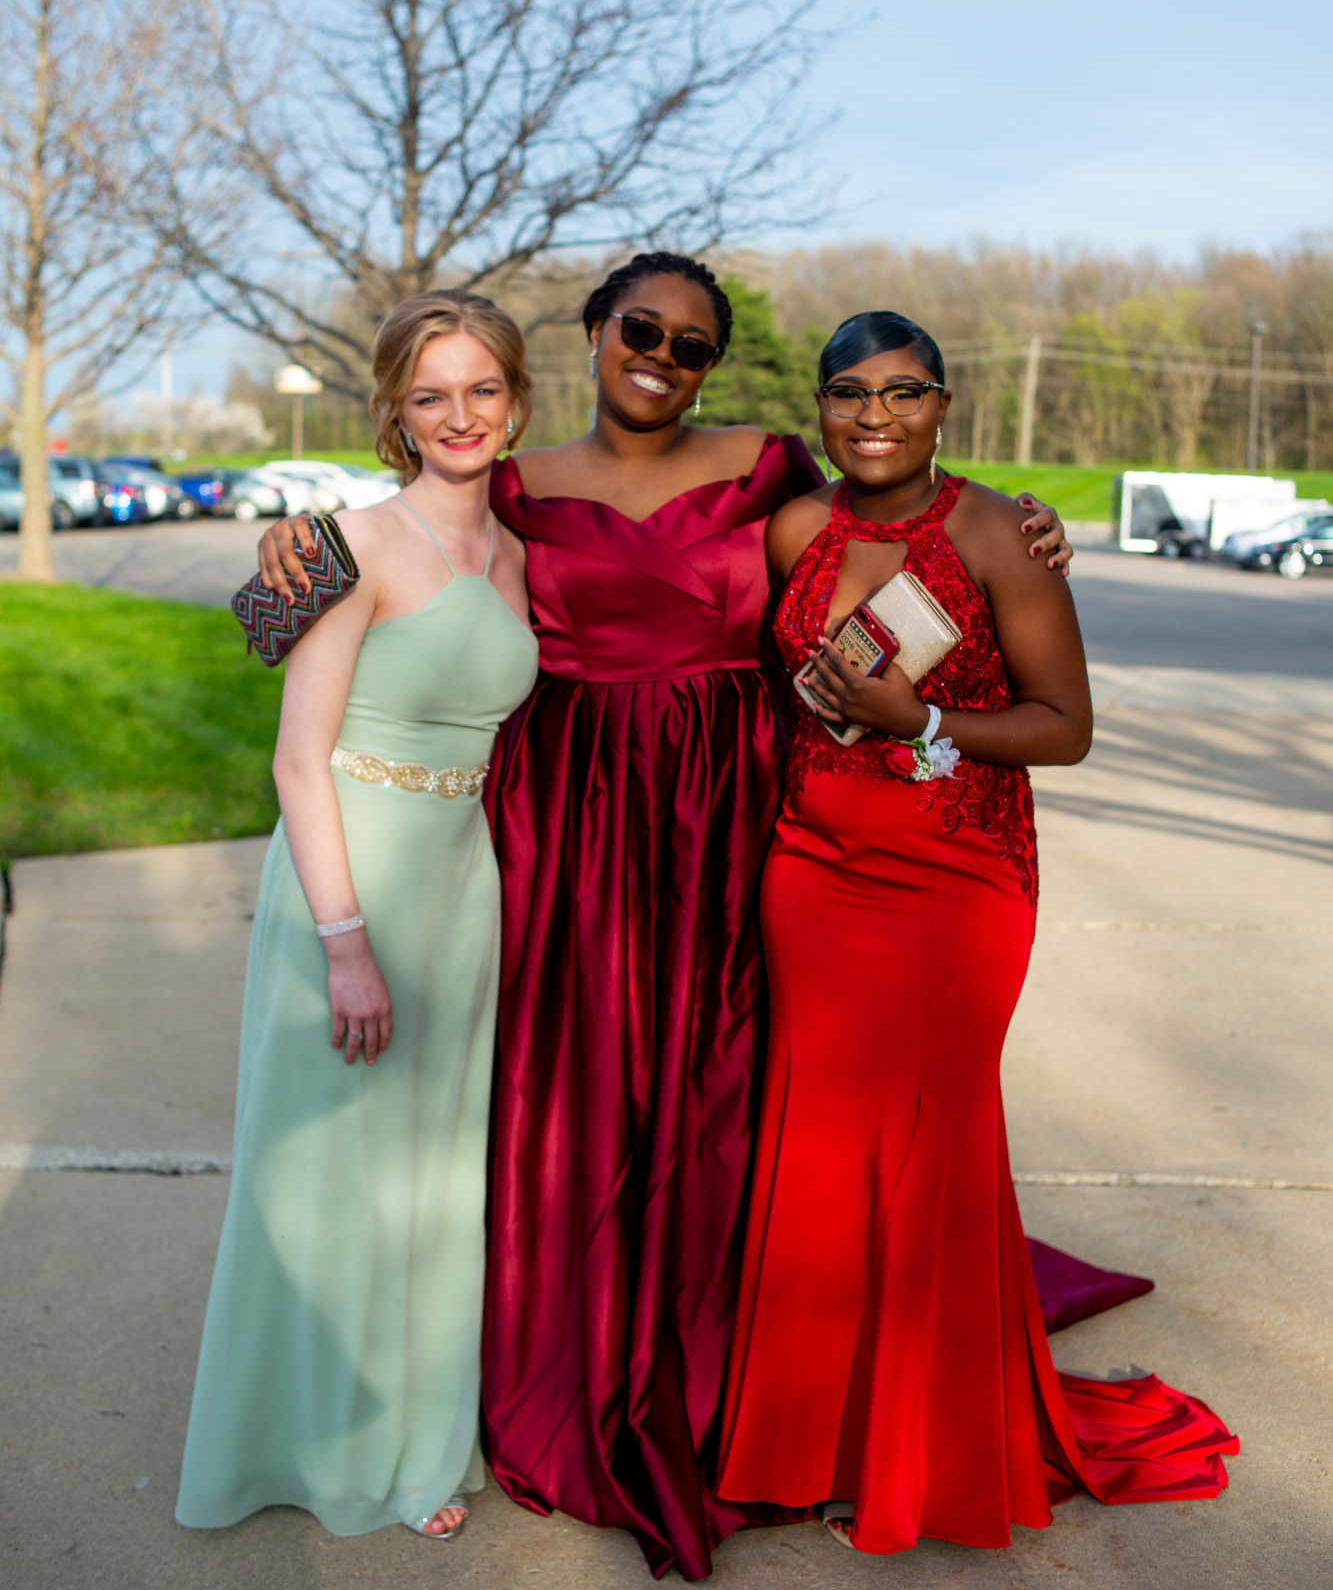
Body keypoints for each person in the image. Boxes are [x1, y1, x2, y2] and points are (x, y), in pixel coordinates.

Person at [256, 253, 1075, 1580]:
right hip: (561, 823)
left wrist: (1022, 523)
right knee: (559, 1100)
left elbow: (902, 513)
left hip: (721, 816)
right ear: (592, 334)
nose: (661, 357)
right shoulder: (507, 486)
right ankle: (550, 1369)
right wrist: (287, 549)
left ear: (714, 364)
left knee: (716, 1100)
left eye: (692, 345)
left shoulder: (768, 477)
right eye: (639, 330)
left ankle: (718, 1391)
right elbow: (290, 613)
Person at [713, 311, 1239, 1555]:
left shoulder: (1001, 530)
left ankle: (917, 1447)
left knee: (927, 1144)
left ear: (946, 405)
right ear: (821, 408)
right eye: (849, 393)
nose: (875, 416)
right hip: (810, 874)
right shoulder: (796, 527)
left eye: (904, 393)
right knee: (822, 1145)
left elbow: (1064, 723)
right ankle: (809, 1441)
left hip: (956, 881)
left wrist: (920, 720)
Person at [177, 291, 538, 1541]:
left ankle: (415, 1440)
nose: (459, 414)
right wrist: (344, 944)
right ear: (393, 411)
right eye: (430, 393)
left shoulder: (519, 554)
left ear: (514, 399)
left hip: (458, 884)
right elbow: (296, 760)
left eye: (480, 388)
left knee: (431, 1178)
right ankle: (301, 1442)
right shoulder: (343, 543)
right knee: (324, 1171)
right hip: (349, 882)